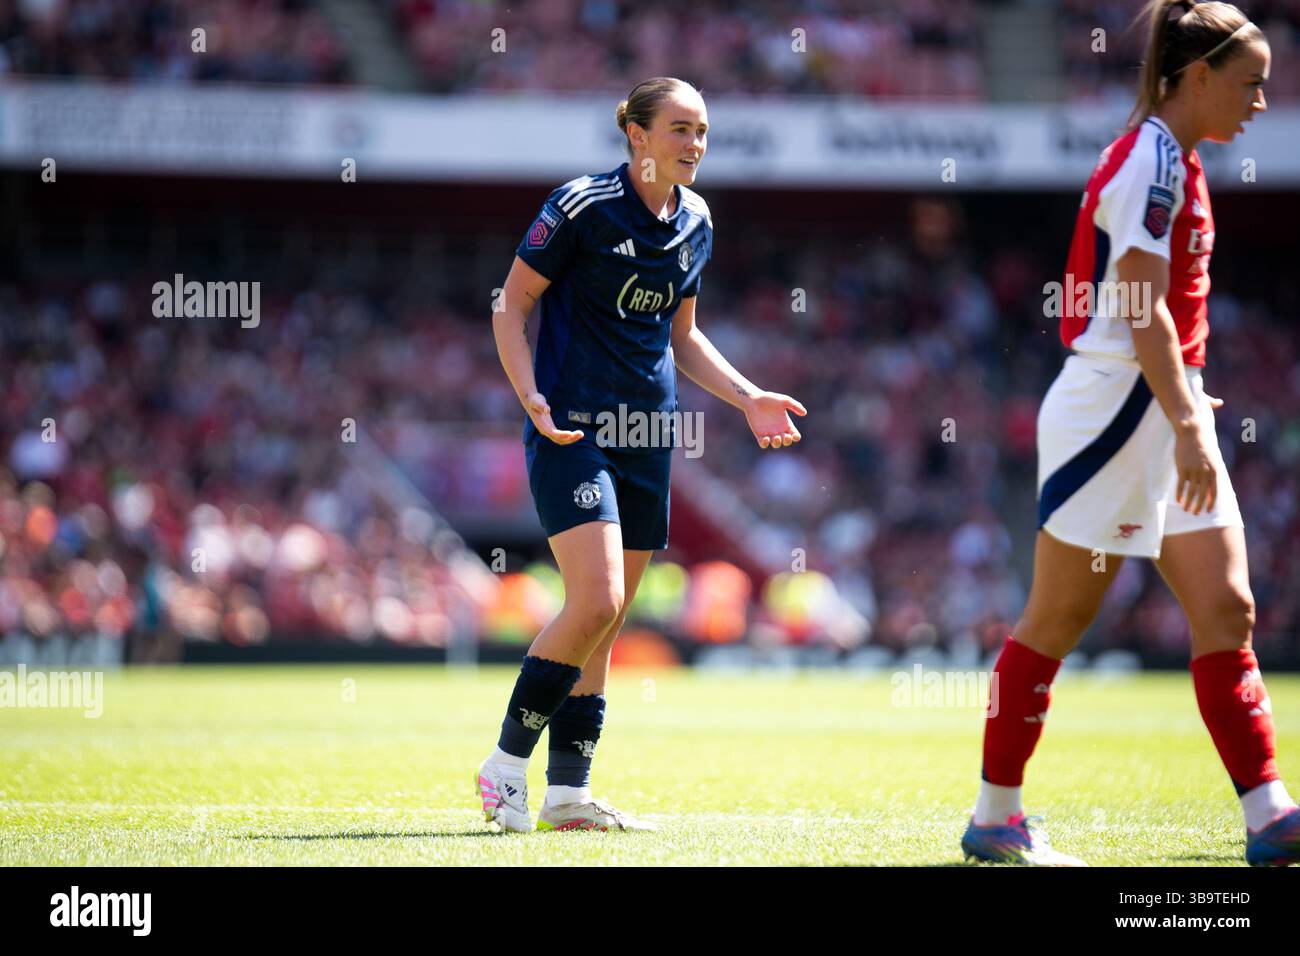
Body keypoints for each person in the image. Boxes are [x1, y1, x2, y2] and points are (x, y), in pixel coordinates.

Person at [961, 0, 1300, 866]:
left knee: (1228, 609)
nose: (1262, 102)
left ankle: (1270, 815)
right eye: (1250, 83)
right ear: (1195, 77)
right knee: (1056, 619)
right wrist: (1182, 417)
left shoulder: (1173, 156)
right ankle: (996, 817)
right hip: (1117, 408)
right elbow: (1141, 309)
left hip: (1163, 396)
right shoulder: (1150, 158)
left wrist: (1186, 397)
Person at [477, 77, 808, 832]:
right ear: (637, 134)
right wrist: (529, 393)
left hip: (649, 438)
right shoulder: (581, 207)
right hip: (572, 430)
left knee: (608, 621)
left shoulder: (696, 219)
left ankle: (569, 794)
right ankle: (503, 769)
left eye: (703, 131)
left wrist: (748, 396)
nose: (695, 145)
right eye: (681, 129)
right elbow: (511, 304)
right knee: (591, 601)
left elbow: (683, 335)